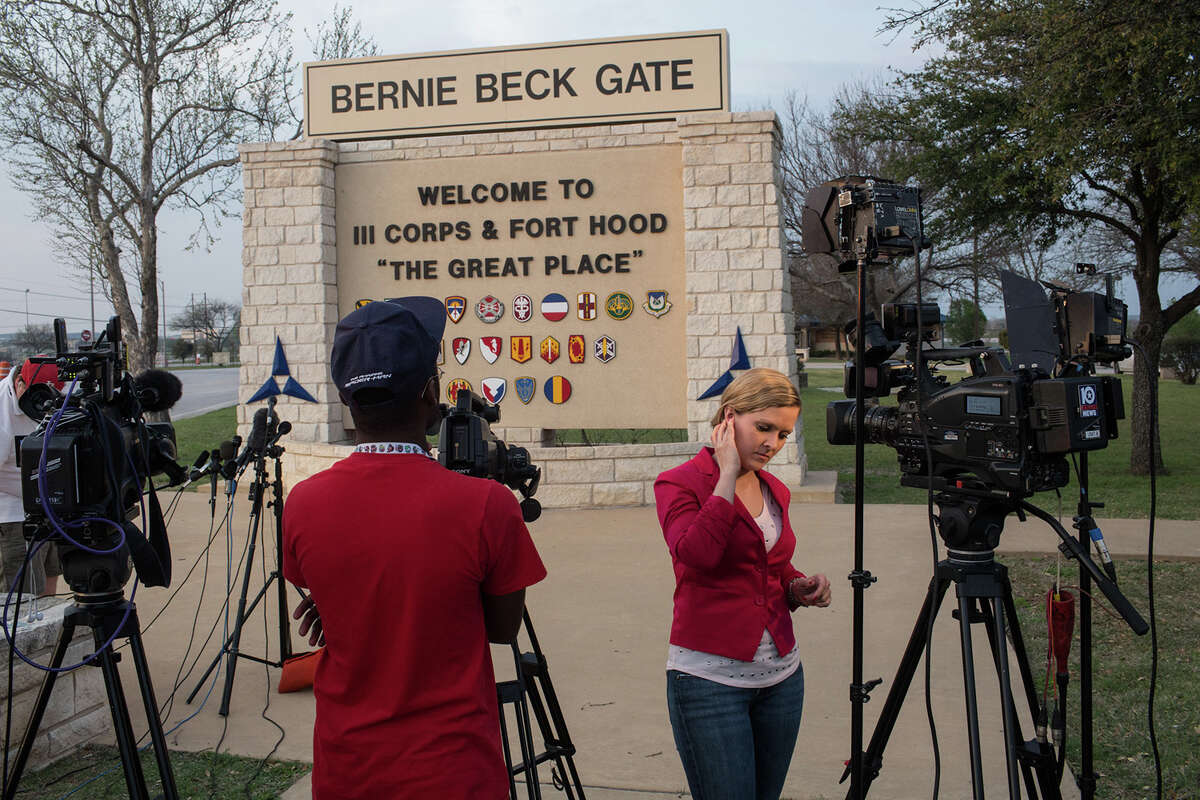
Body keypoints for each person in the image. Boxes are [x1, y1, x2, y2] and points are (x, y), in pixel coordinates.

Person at [282, 297, 546, 800]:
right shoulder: (486, 504)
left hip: (348, 769)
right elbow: (501, 628)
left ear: (347, 400)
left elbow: (336, 593)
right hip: (454, 771)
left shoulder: (303, 503)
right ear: (431, 392)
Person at [654, 367, 832, 800]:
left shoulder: (775, 489)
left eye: (784, 434)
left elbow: (771, 565)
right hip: (708, 684)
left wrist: (797, 587)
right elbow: (697, 555)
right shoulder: (678, 483)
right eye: (764, 427)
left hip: (783, 679)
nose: (773, 443)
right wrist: (727, 476)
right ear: (730, 418)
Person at [0, 358, 63, 597]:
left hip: (49, 507)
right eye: (32, 396)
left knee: (49, 580)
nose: (39, 405)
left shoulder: (51, 402)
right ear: (19, 383)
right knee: (23, 598)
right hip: (14, 517)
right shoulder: (2, 412)